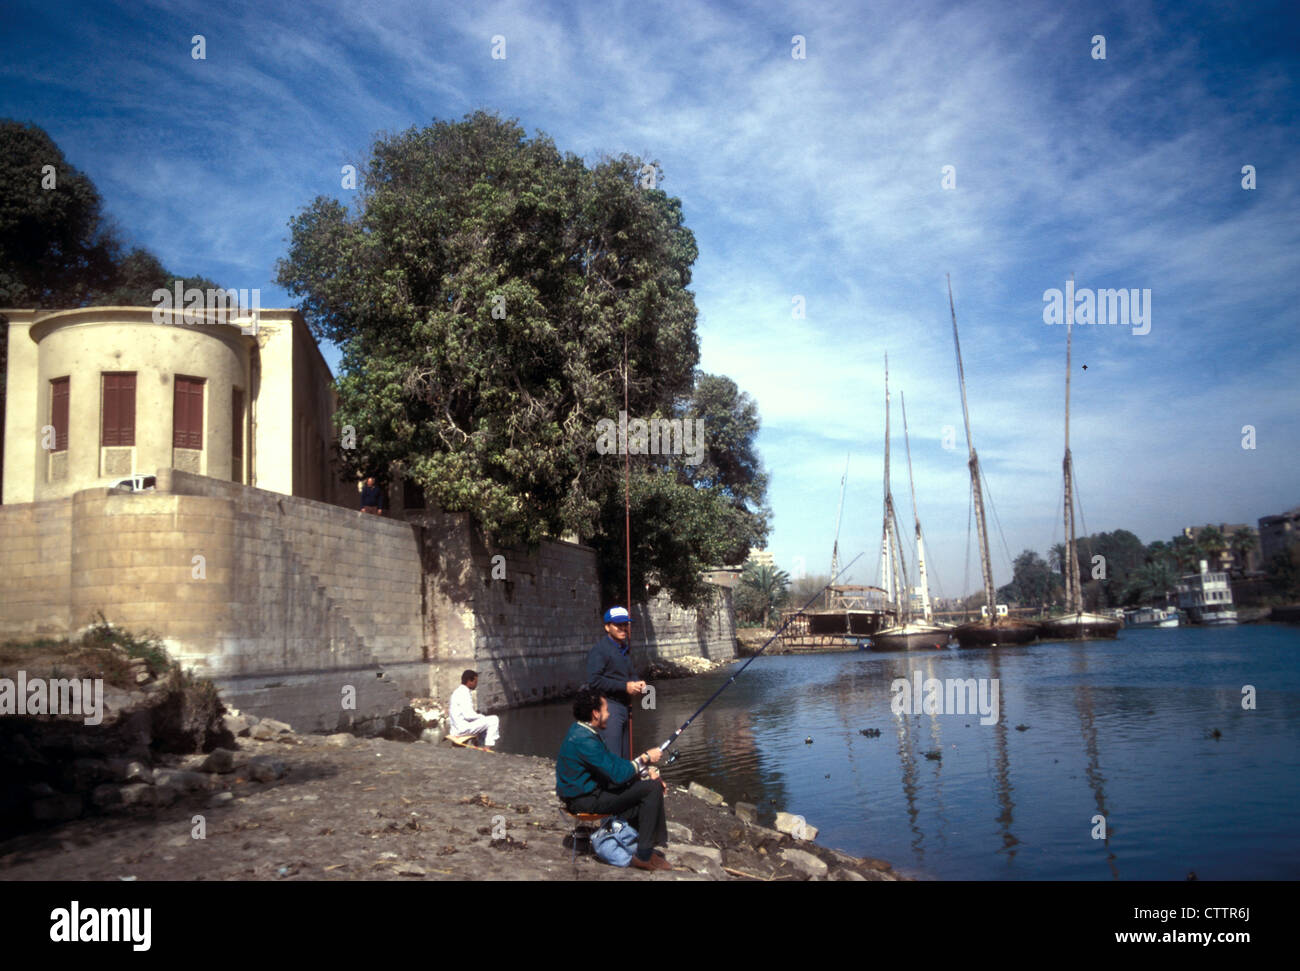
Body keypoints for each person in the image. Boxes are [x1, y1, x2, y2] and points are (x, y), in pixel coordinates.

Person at [556, 685, 670, 871]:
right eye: (606, 710)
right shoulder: (585, 740)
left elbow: (612, 764)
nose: (608, 714)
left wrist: (643, 771)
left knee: (644, 786)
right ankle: (643, 856)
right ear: (595, 713)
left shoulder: (581, 731)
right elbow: (617, 774)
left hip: (587, 794)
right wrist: (645, 758)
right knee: (652, 789)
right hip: (584, 801)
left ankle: (640, 847)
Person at [586, 606, 647, 759]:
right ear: (607, 627)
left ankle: (625, 781)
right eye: (618, 624)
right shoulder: (600, 650)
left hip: (624, 707)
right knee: (613, 756)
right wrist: (625, 686)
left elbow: (630, 672)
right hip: (609, 708)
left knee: (625, 755)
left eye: (625, 624)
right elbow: (594, 681)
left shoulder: (623, 649)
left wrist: (637, 682)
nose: (622, 628)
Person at [448, 670, 500, 749]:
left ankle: (480, 743)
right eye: (475, 682)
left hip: (455, 729)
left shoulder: (457, 692)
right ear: (469, 681)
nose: (476, 684)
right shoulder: (464, 693)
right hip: (462, 729)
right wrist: (482, 717)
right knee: (494, 720)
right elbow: (468, 715)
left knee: (483, 723)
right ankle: (487, 747)